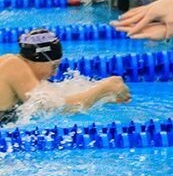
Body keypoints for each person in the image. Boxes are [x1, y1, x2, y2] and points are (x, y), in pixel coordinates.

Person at [0, 30, 130, 124]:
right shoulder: (14, 65)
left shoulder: (11, 64)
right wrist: (103, 89)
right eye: (54, 66)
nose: (54, 74)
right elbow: (55, 108)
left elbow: (58, 96)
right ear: (40, 59)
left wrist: (103, 94)